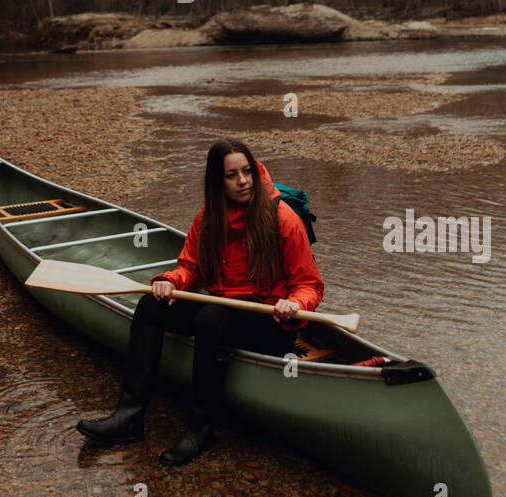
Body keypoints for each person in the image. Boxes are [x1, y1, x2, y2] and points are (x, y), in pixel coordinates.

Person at [76, 138, 324, 466]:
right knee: (151, 307)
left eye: (247, 171)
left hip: (271, 320)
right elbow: (190, 267)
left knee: (211, 317)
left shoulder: (283, 219)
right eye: (232, 175)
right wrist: (169, 281)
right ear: (216, 181)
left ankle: (201, 430)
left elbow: (310, 284)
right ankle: (130, 417)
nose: (243, 181)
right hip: (224, 311)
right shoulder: (209, 218)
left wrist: (293, 303)